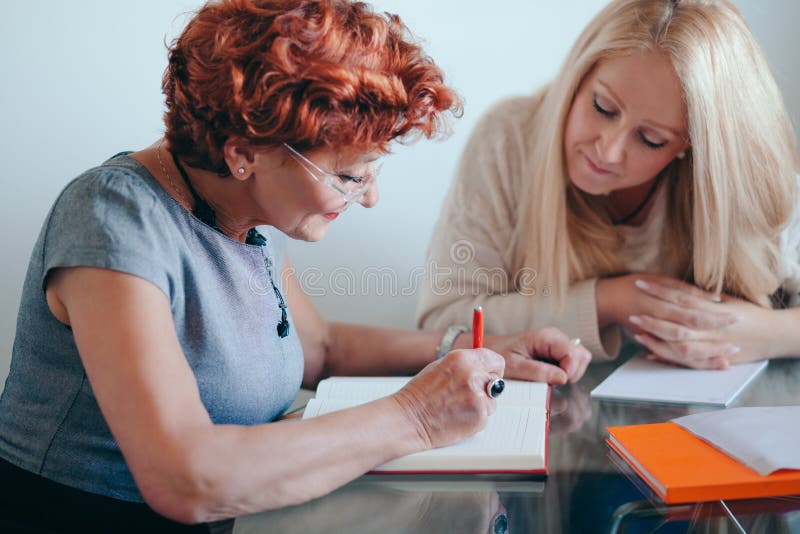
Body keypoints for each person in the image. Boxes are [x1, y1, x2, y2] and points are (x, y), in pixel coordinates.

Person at [0, 0, 591, 531]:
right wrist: (416, 416)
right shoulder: (113, 219)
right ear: (244, 155)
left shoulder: (248, 213)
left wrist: (474, 346)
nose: (369, 197)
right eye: (349, 176)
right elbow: (186, 479)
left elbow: (321, 348)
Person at [417, 0, 800, 369]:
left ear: (692, 147)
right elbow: (442, 325)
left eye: (651, 139)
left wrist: (766, 334)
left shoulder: (741, 176)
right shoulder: (509, 140)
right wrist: (610, 302)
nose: (609, 151)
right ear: (578, 77)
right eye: (602, 107)